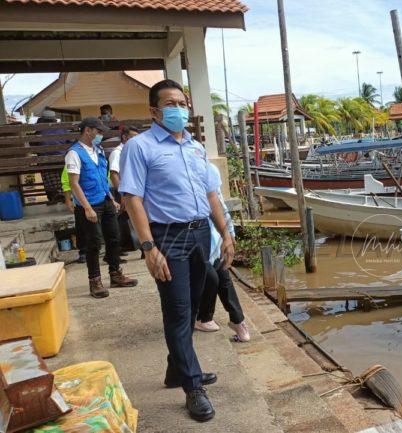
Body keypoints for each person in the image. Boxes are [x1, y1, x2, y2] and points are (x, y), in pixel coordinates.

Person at [120, 79, 234, 422]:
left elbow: (212, 195)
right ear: (154, 110)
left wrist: (225, 233)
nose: (179, 109)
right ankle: (192, 386)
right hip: (167, 238)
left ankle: (177, 370)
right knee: (179, 310)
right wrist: (148, 247)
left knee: (198, 301)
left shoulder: (195, 148)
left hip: (201, 234)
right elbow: (132, 199)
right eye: (170, 103)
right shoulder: (139, 147)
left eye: (182, 102)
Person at [66, 118, 138, 297]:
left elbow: (102, 176)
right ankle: (95, 281)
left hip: (104, 200)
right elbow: (74, 184)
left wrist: (111, 198)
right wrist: (87, 208)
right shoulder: (74, 153)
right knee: (94, 243)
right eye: (99, 132)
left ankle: (115, 274)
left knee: (114, 238)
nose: (101, 135)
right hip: (89, 204)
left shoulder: (98, 150)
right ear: (88, 130)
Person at [195, 163, 250, 343]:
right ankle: (227, 320)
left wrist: (229, 235)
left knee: (220, 276)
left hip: (212, 238)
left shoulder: (207, 171)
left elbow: (220, 205)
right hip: (200, 238)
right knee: (215, 277)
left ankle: (235, 321)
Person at [109, 126, 140, 253]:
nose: (137, 140)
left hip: (135, 190)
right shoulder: (117, 152)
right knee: (125, 219)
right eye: (133, 137)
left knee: (135, 218)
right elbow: (114, 174)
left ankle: (136, 247)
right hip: (124, 192)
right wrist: (122, 195)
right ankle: (121, 247)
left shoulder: (134, 151)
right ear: (125, 137)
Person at [35, 110, 69, 204]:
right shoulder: (63, 129)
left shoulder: (40, 130)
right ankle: (62, 193)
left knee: (44, 166)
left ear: (43, 119)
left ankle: (54, 194)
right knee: (62, 170)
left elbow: (33, 145)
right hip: (63, 160)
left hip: (46, 161)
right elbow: (70, 143)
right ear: (54, 119)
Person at [61, 168, 87, 263]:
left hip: (98, 197)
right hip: (79, 201)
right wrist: (68, 200)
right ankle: (83, 252)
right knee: (81, 227)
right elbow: (66, 181)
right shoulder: (73, 155)